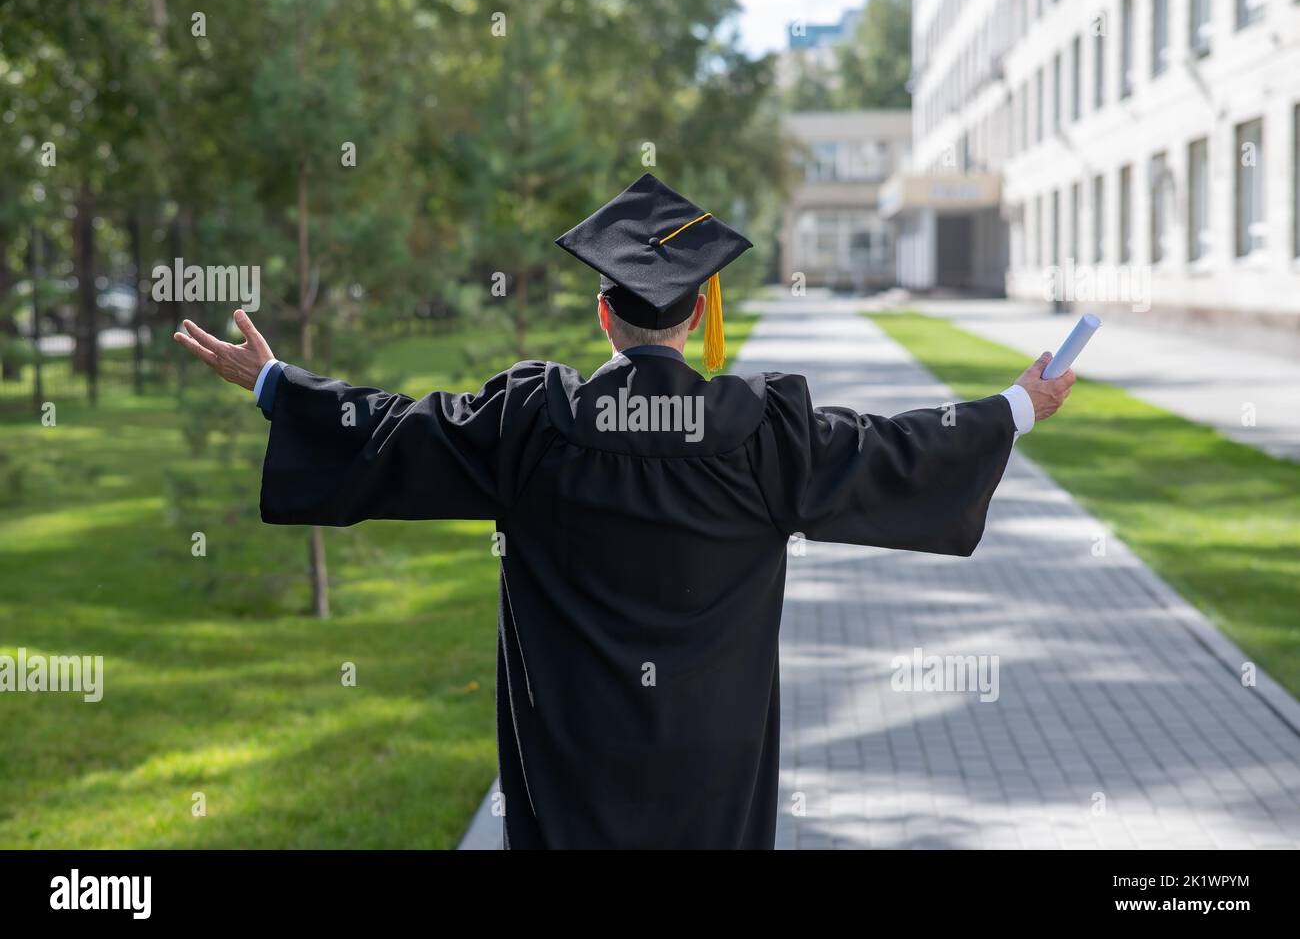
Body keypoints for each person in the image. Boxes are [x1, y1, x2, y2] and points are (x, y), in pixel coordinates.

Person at [174, 173, 1075, 849]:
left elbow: (396, 432)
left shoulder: (531, 425)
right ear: (691, 319)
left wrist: (274, 383)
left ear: (605, 315)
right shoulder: (763, 432)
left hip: (574, 764)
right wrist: (1016, 406)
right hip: (713, 763)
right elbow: (894, 451)